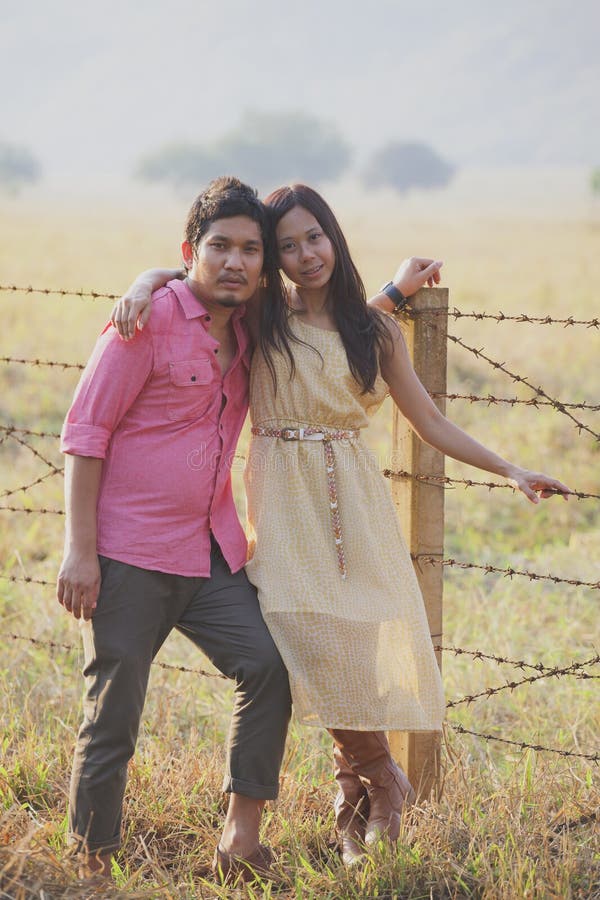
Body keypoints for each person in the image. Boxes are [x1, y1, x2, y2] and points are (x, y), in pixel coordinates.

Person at [113, 184, 570, 866]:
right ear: (274, 258)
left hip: (353, 503)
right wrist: (142, 283)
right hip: (283, 506)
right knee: (306, 642)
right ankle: (387, 780)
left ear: (334, 236)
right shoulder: (264, 312)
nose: (305, 254)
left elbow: (429, 419)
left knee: (352, 649)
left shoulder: (374, 330)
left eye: (314, 237)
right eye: (288, 246)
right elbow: (192, 277)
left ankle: (354, 803)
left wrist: (509, 469)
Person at [56, 177, 293, 884]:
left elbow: (333, 320)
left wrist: (398, 291)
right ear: (191, 251)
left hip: (211, 550)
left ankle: (239, 842)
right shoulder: (145, 322)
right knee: (114, 715)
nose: (235, 262)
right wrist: (79, 552)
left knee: (268, 667)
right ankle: (91, 867)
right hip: (128, 552)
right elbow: (85, 434)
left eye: (250, 249)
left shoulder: (254, 326)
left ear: (264, 263)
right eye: (219, 246)